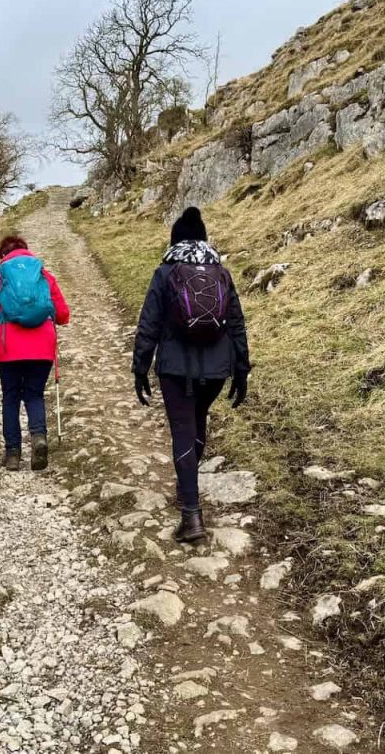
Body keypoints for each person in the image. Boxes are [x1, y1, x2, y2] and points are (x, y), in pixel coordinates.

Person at [132, 206, 250, 542]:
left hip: (175, 368)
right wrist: (241, 369)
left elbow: (149, 324)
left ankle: (191, 517)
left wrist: (140, 368)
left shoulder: (165, 271)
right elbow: (237, 323)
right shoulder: (221, 272)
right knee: (198, 423)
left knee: (183, 430)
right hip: (216, 369)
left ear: (175, 240)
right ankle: (187, 491)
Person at [0, 235, 70, 472]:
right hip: (42, 347)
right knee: (34, 394)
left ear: (2, 257)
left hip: (7, 347)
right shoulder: (44, 276)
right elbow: (63, 315)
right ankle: (39, 438)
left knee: (10, 396)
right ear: (26, 252)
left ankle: (12, 454)